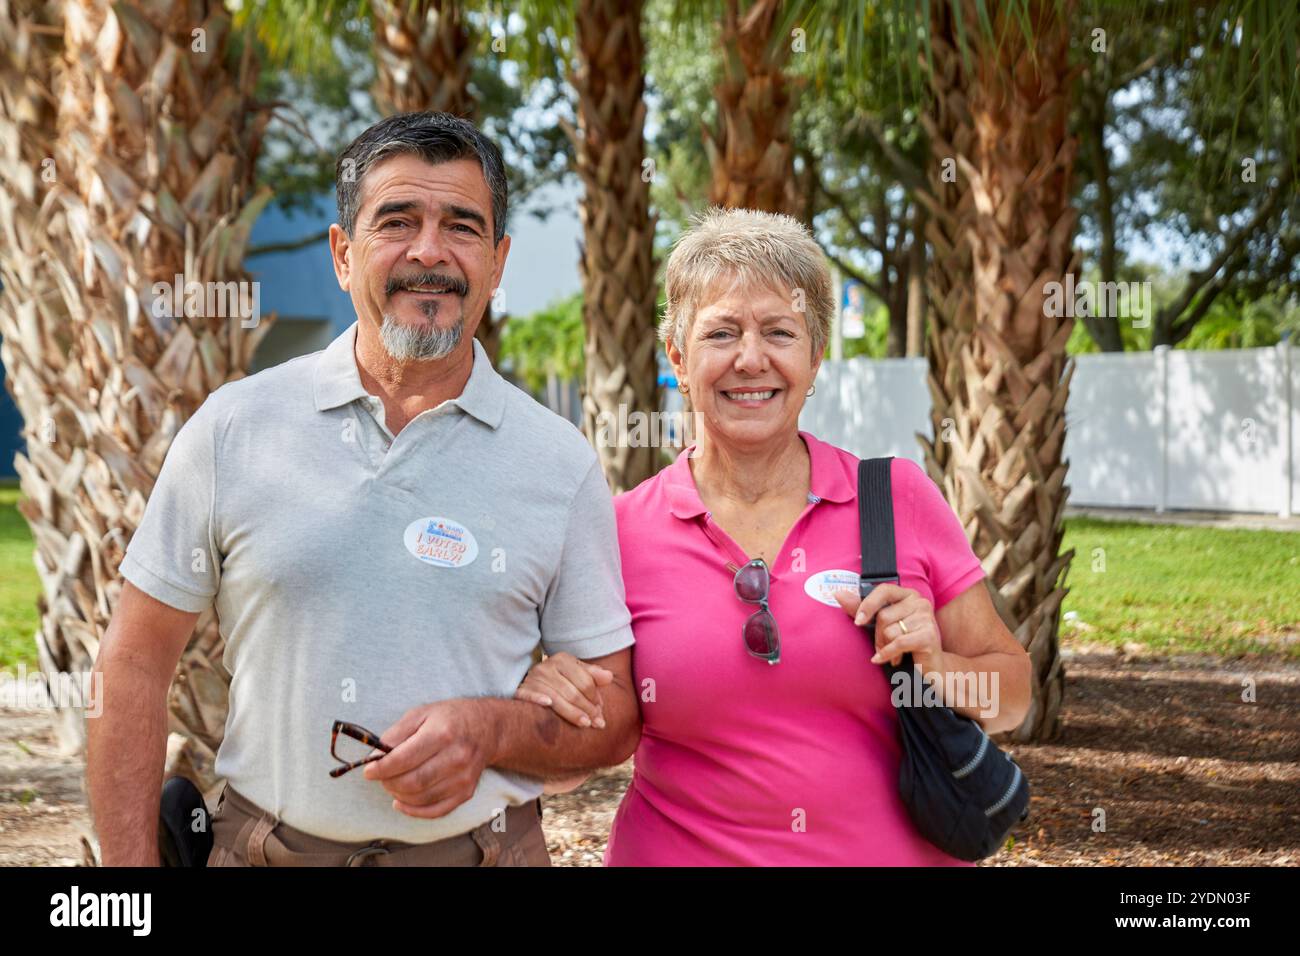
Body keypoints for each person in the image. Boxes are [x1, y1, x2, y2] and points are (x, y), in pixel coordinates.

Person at [86, 112, 639, 867]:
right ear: (343, 254)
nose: (429, 252)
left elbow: (614, 716)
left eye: (463, 227)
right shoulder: (235, 430)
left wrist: (490, 729)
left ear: (499, 261)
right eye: (397, 221)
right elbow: (135, 662)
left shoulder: (557, 462)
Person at [516, 207, 1032, 866]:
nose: (750, 359)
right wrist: (550, 708)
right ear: (677, 354)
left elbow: (1013, 694)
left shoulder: (894, 498)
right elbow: (576, 760)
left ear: (816, 356)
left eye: (780, 332)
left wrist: (937, 670)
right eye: (721, 332)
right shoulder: (617, 531)